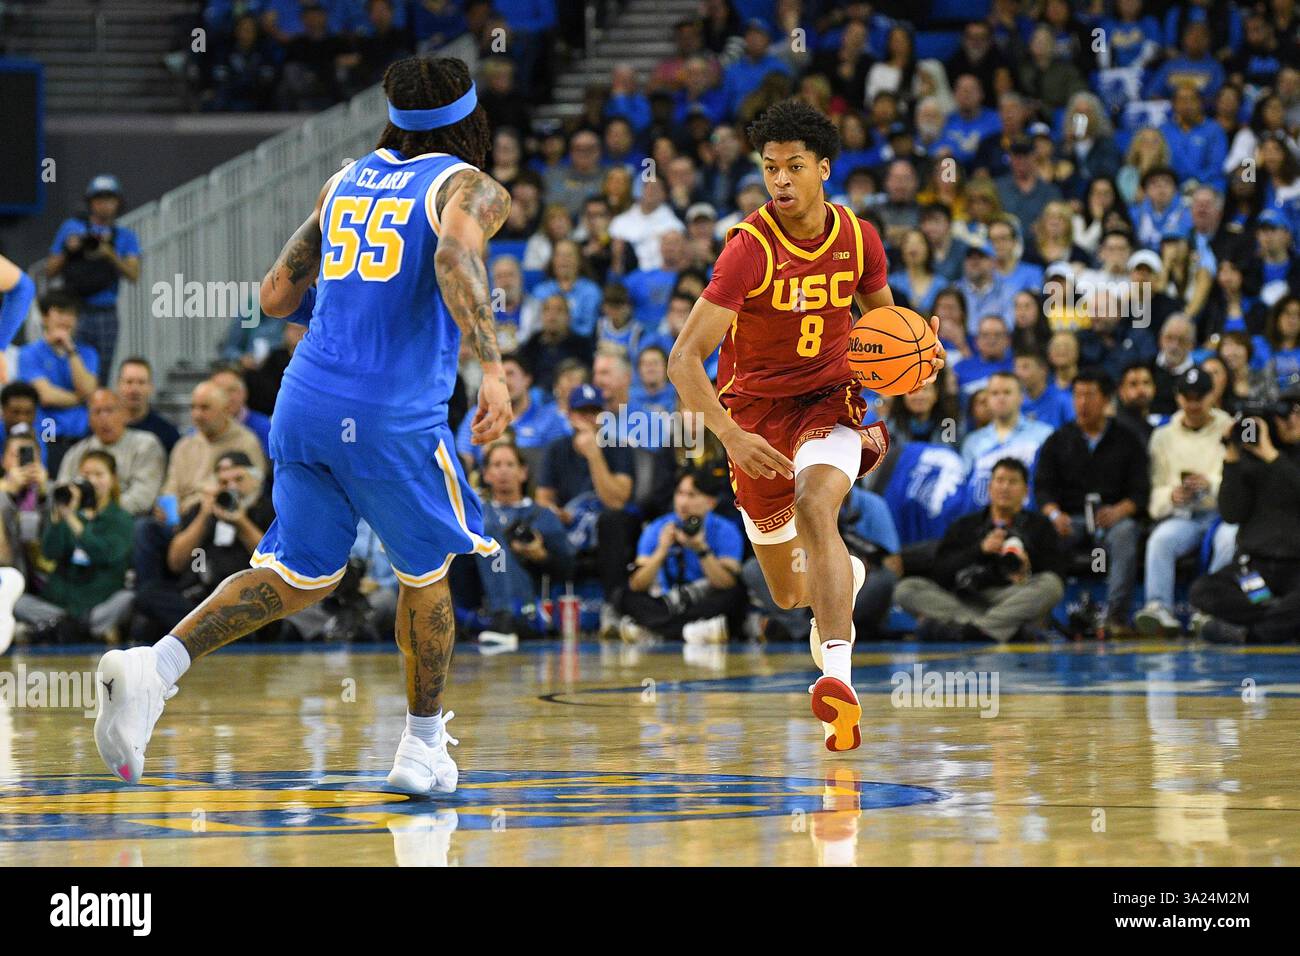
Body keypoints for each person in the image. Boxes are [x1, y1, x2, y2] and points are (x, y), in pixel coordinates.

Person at [92, 56, 513, 796]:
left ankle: (154, 669)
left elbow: (277, 293)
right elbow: (452, 253)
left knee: (300, 573)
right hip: (391, 416)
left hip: (305, 402)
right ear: (471, 122)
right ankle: (420, 748)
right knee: (428, 572)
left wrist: (353, 315)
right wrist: (495, 368)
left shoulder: (342, 180)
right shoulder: (467, 187)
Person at [669, 98, 945, 752]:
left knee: (816, 505)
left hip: (831, 400)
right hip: (754, 424)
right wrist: (730, 436)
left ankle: (840, 680)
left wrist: (917, 359)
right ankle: (840, 578)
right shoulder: (747, 249)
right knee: (789, 593)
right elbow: (683, 360)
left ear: (824, 167)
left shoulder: (858, 237)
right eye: (770, 169)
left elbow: (888, 327)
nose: (782, 181)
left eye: (795, 167)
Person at [894, 458, 1066, 641]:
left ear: (1026, 491)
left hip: (1013, 596)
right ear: (990, 487)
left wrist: (1028, 566)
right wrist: (979, 549)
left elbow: (1057, 573)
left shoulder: (1040, 526)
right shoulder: (965, 525)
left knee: (1051, 584)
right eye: (1000, 480)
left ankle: (973, 629)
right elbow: (940, 572)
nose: (1005, 487)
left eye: (1013, 482)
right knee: (907, 588)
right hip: (967, 598)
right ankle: (1000, 628)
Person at [1035, 369, 1150, 632]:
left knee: (1126, 533)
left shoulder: (1127, 439)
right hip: (1071, 518)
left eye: (1090, 395)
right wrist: (1054, 515)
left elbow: (1141, 492)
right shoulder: (1058, 439)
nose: (1082, 403)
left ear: (1107, 400)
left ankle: (1115, 617)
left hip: (1113, 518)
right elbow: (1043, 489)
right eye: (1077, 396)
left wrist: (1120, 511)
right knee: (1046, 534)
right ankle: (1043, 614)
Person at [1190, 385, 1300, 643]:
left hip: (1297, 568)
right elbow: (1231, 513)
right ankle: (1278, 618)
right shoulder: (1253, 457)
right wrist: (1231, 457)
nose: (1289, 419)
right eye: (1285, 412)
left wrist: (1271, 456)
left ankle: (1250, 633)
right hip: (1256, 570)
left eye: (1297, 411)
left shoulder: (1269, 455)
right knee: (1203, 591)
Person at [132, 451, 276, 643]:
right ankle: (220, 633)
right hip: (198, 597)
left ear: (255, 481)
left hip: (240, 598)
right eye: (224, 483)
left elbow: (272, 562)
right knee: (148, 594)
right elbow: (176, 562)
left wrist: (241, 523)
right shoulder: (202, 511)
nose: (232, 487)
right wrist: (203, 517)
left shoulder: (266, 509)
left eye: (238, 479)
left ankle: (214, 633)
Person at [1134, 367, 1232, 634]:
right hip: (1184, 515)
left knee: (1229, 539)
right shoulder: (1162, 436)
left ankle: (1209, 608)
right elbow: (1154, 493)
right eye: (1187, 397)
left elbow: (1241, 482)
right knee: (1160, 539)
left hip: (1222, 514)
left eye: (1199, 396)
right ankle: (1159, 608)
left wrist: (1210, 484)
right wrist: (1171, 495)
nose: (1193, 404)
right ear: (1178, 398)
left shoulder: (1230, 428)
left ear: (1213, 395)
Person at [615, 468, 744, 643]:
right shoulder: (658, 528)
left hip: (703, 600)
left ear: (711, 502)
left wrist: (701, 548)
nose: (683, 502)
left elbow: (726, 583)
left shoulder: (725, 530)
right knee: (624, 596)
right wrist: (661, 551)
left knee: (735, 594)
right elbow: (637, 584)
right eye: (680, 493)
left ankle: (654, 630)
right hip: (667, 601)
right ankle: (688, 631)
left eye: (692, 495)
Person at [471, 441, 573, 640]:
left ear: (523, 472)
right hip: (481, 597)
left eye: (510, 465)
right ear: (486, 474)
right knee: (489, 536)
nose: (503, 471)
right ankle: (502, 614)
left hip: (529, 603)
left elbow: (568, 567)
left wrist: (542, 556)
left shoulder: (543, 515)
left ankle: (507, 614)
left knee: (491, 538)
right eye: (497, 465)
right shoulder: (474, 515)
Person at [44, 174, 141, 380]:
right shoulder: (71, 228)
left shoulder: (125, 236)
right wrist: (69, 250)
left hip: (105, 312)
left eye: (110, 199)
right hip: (74, 311)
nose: (104, 205)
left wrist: (110, 253)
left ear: (118, 203)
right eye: (99, 199)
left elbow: (134, 274)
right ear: (90, 202)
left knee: (101, 374)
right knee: (68, 368)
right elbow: (50, 270)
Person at [39, 449, 134, 641]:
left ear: (113, 479)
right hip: (61, 604)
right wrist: (58, 519)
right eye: (86, 475)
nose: (91, 480)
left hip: (99, 603)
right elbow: (50, 552)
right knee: (14, 601)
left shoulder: (121, 519)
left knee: (128, 599)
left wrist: (73, 520)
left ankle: (60, 628)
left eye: (99, 474)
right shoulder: (69, 512)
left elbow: (104, 554)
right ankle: (78, 627)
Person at [18, 292, 99, 474]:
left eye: (71, 314)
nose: (66, 320)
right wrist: (81, 398)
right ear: (45, 317)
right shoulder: (29, 354)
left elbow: (88, 389)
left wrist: (71, 351)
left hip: (82, 435)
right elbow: (46, 396)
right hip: (48, 434)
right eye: (60, 313)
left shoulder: (87, 353)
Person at [57, 389, 166, 518]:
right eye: (97, 412)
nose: (104, 418)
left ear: (124, 414)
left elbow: (143, 497)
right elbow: (62, 491)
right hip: (82, 517)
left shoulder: (146, 445)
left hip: (128, 518)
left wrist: (101, 512)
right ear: (89, 419)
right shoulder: (77, 452)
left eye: (109, 410)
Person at [116, 357, 181, 454]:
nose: (134, 389)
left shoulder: (167, 433)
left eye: (141, 382)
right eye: (129, 382)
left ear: (151, 387)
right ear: (118, 385)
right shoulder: (104, 430)